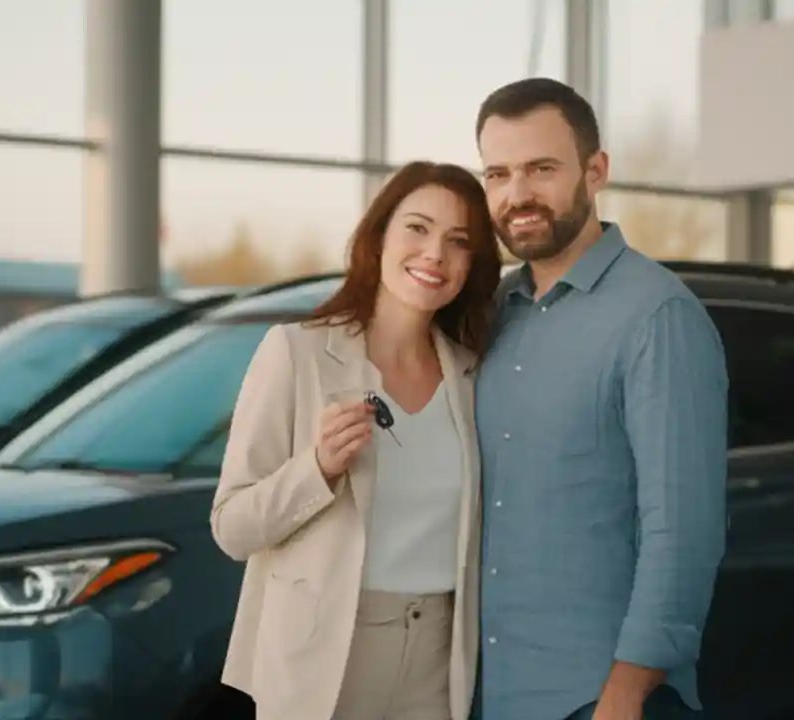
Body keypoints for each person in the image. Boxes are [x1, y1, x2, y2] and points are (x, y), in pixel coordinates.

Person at [471, 77, 729, 719]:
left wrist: (627, 691)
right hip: (492, 691)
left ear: (596, 170)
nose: (517, 194)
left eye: (541, 169)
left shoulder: (658, 316)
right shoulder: (496, 313)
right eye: (497, 174)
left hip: (597, 697)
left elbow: (684, 530)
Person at [210, 161, 502, 720]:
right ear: (379, 238)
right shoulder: (296, 354)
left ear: (473, 264)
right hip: (324, 656)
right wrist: (316, 469)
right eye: (417, 228)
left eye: (458, 241)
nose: (434, 254)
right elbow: (232, 527)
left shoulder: (475, 377)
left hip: (438, 662)